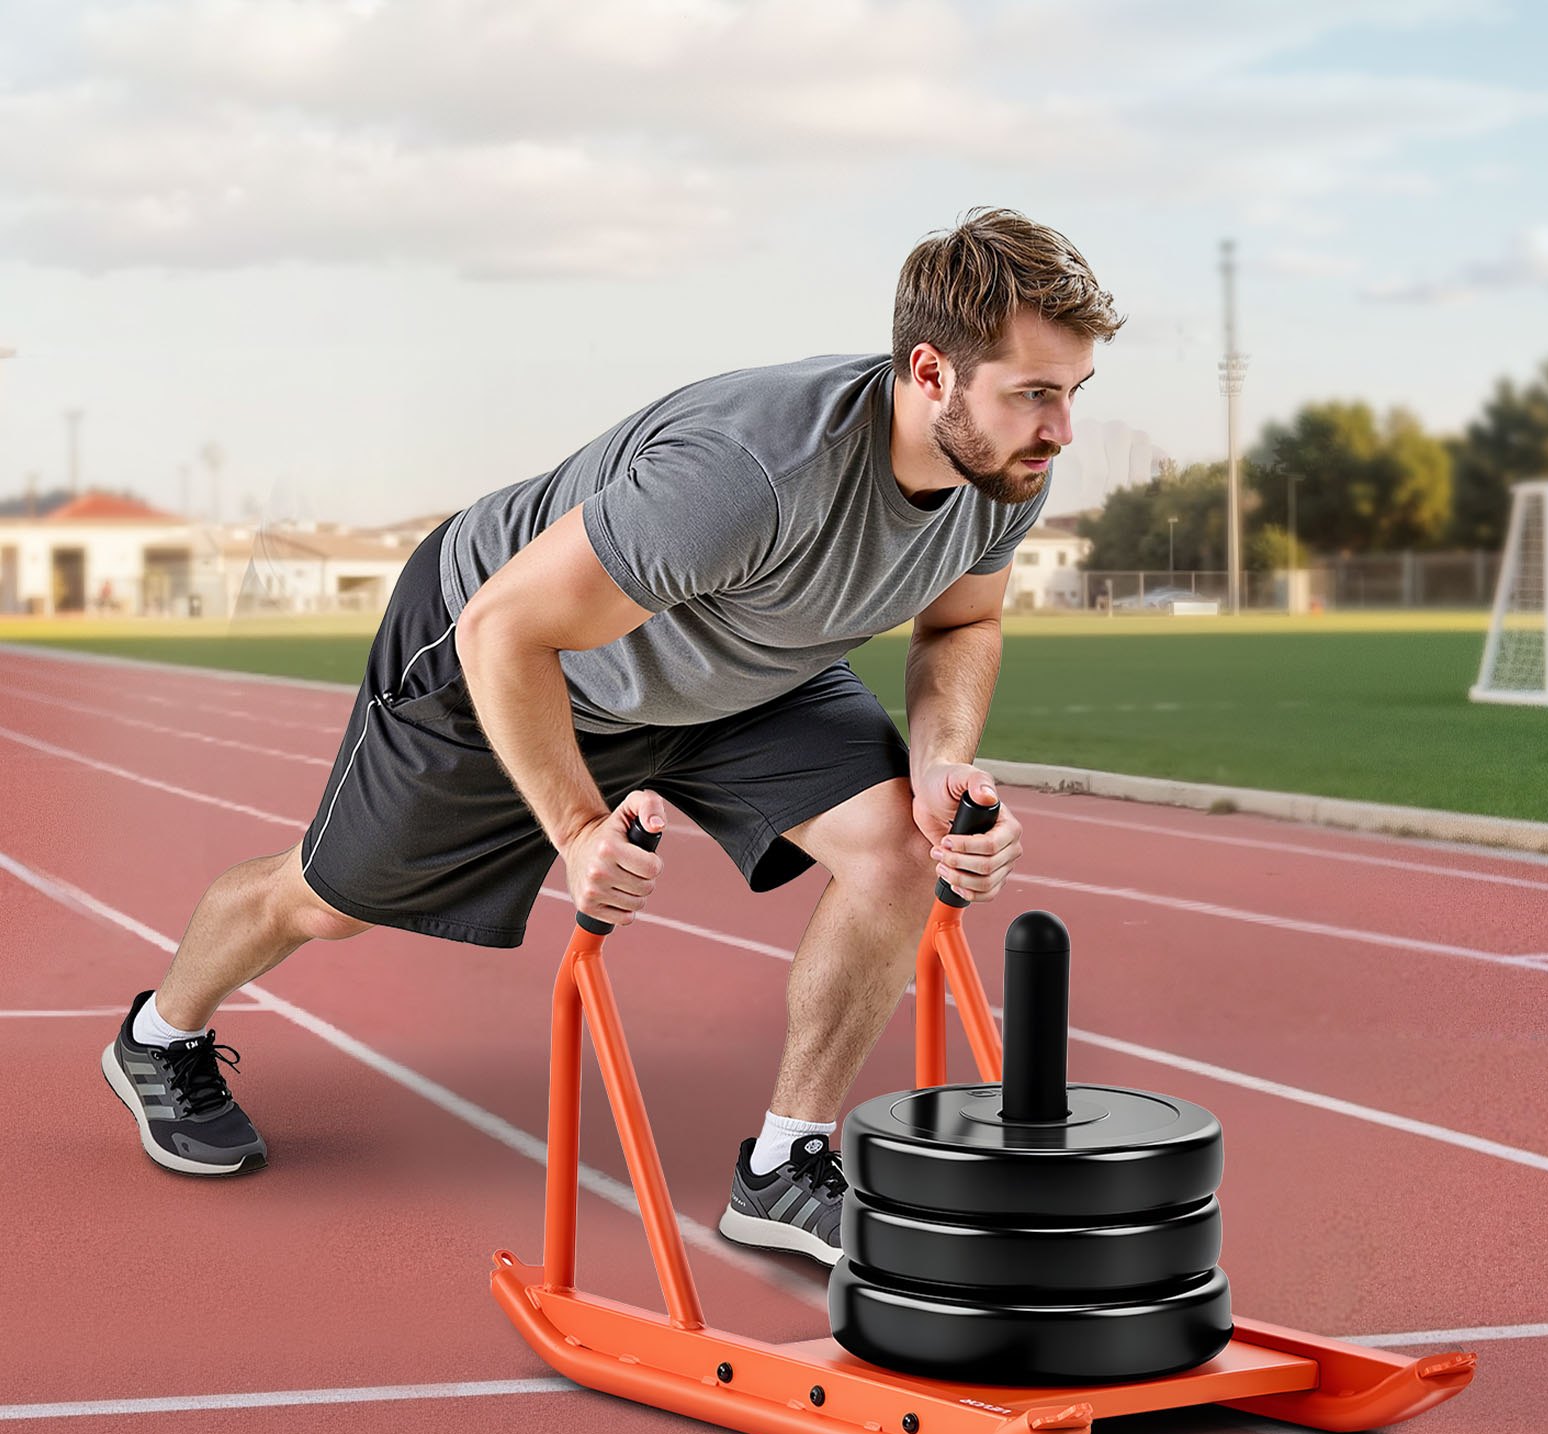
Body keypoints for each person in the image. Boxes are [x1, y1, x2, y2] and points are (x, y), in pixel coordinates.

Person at [100, 208, 1122, 1265]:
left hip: (747, 671)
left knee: (899, 850)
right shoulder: (747, 471)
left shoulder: (1004, 471)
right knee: (328, 904)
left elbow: (962, 621)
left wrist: (938, 762)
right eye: (1035, 393)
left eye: (1073, 392)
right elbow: (506, 627)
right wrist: (580, 827)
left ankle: (781, 1163)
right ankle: (159, 1034)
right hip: (520, 652)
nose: (1060, 431)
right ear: (931, 372)